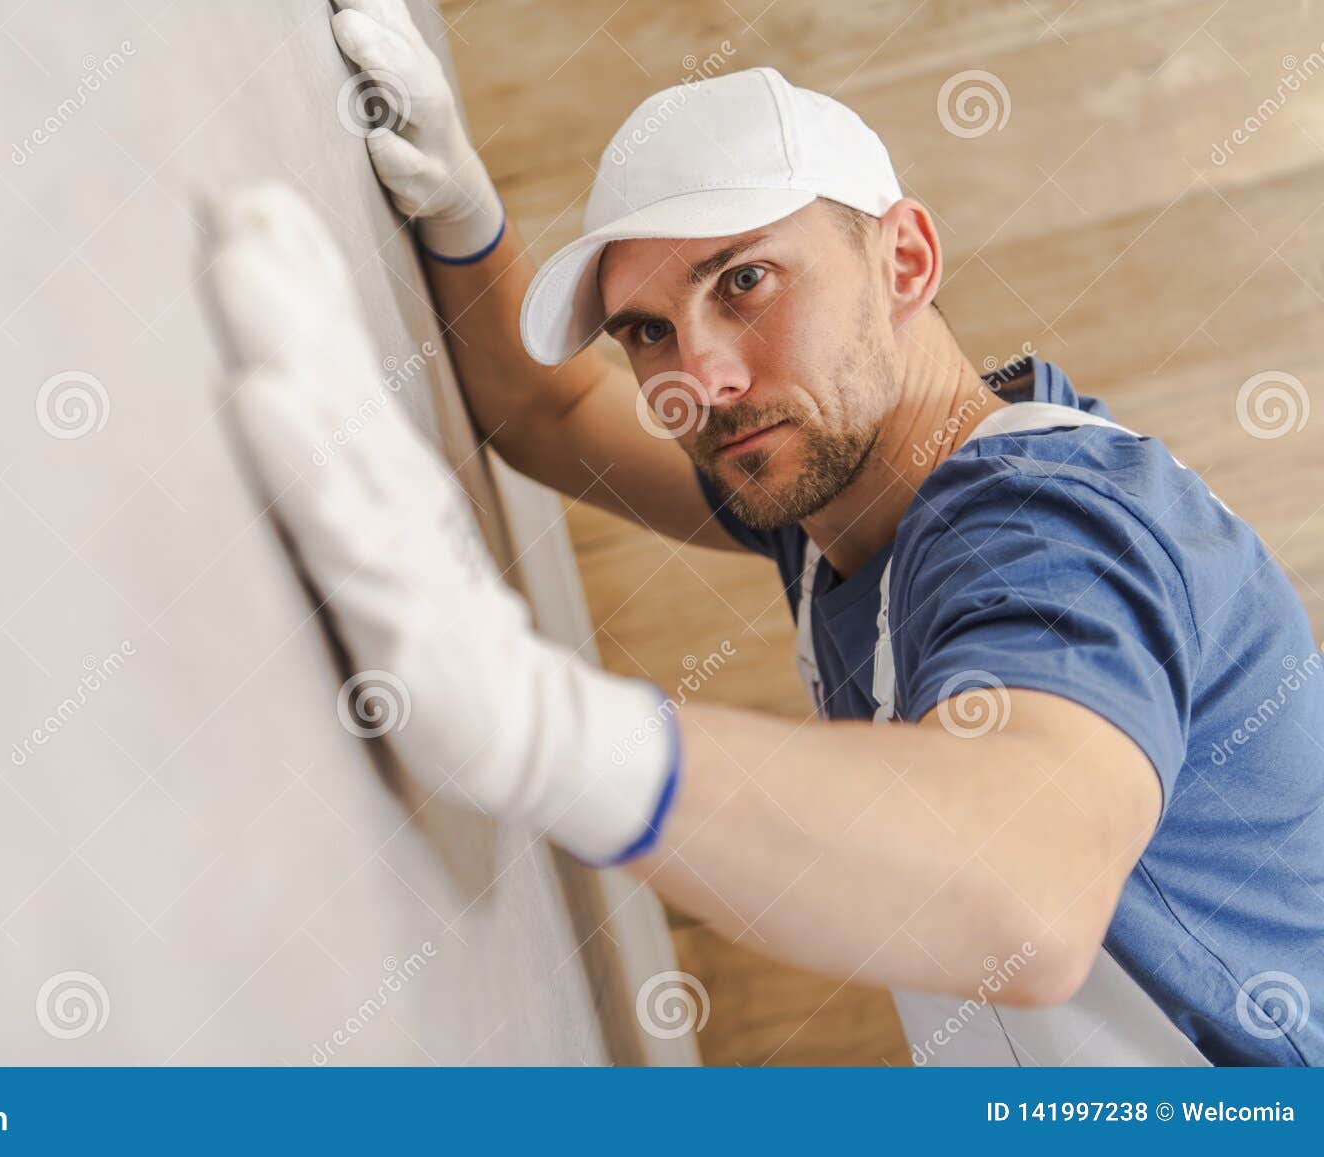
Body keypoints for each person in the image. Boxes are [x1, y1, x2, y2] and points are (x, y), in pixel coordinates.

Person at [211, 0, 1323, 1066]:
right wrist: (461, 215)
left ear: (903, 263)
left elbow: (1025, 889)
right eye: (646, 328)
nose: (701, 381)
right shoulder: (838, 495)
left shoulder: (1049, 531)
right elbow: (549, 411)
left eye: (743, 281)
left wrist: (530, 721)